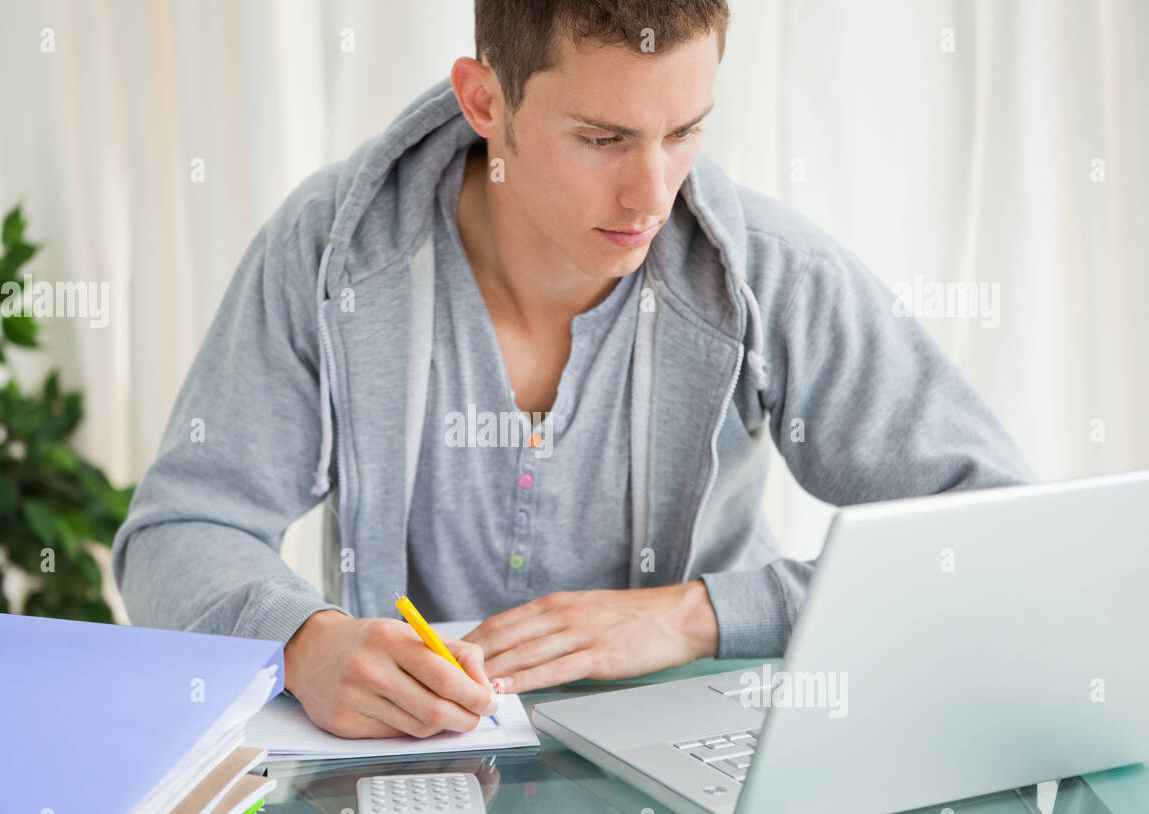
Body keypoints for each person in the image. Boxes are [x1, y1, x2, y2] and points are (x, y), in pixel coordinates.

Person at [112, 0, 1032, 740]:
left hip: (708, 773)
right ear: (484, 101)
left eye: (684, 131)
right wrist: (300, 641)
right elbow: (177, 532)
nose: (653, 193)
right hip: (418, 783)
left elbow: (998, 537)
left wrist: (697, 617)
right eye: (602, 139)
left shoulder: (773, 274)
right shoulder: (327, 254)